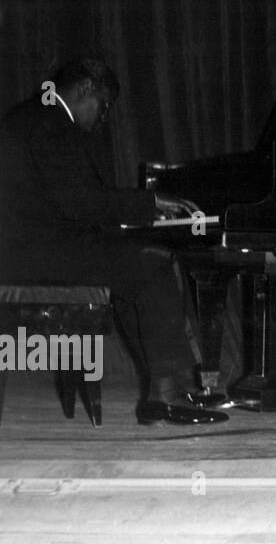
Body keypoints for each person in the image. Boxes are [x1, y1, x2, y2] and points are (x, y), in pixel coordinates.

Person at [0, 59, 228, 424]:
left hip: (28, 249)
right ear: (86, 89)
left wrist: (130, 218)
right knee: (155, 263)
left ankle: (173, 385)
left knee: (135, 269)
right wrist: (149, 203)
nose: (103, 118)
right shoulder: (51, 125)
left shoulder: (31, 116)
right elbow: (80, 203)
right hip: (37, 255)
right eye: (103, 106)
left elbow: (67, 202)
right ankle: (168, 392)